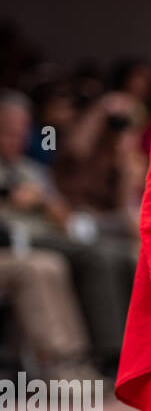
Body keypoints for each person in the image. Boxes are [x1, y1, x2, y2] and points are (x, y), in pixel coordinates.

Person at [0, 90, 94, 377]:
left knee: (51, 264)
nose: (16, 141)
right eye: (8, 134)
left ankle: (74, 359)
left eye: (21, 134)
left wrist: (42, 200)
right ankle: (57, 365)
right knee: (38, 268)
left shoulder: (30, 169)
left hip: (29, 245)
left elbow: (66, 219)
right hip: (13, 247)